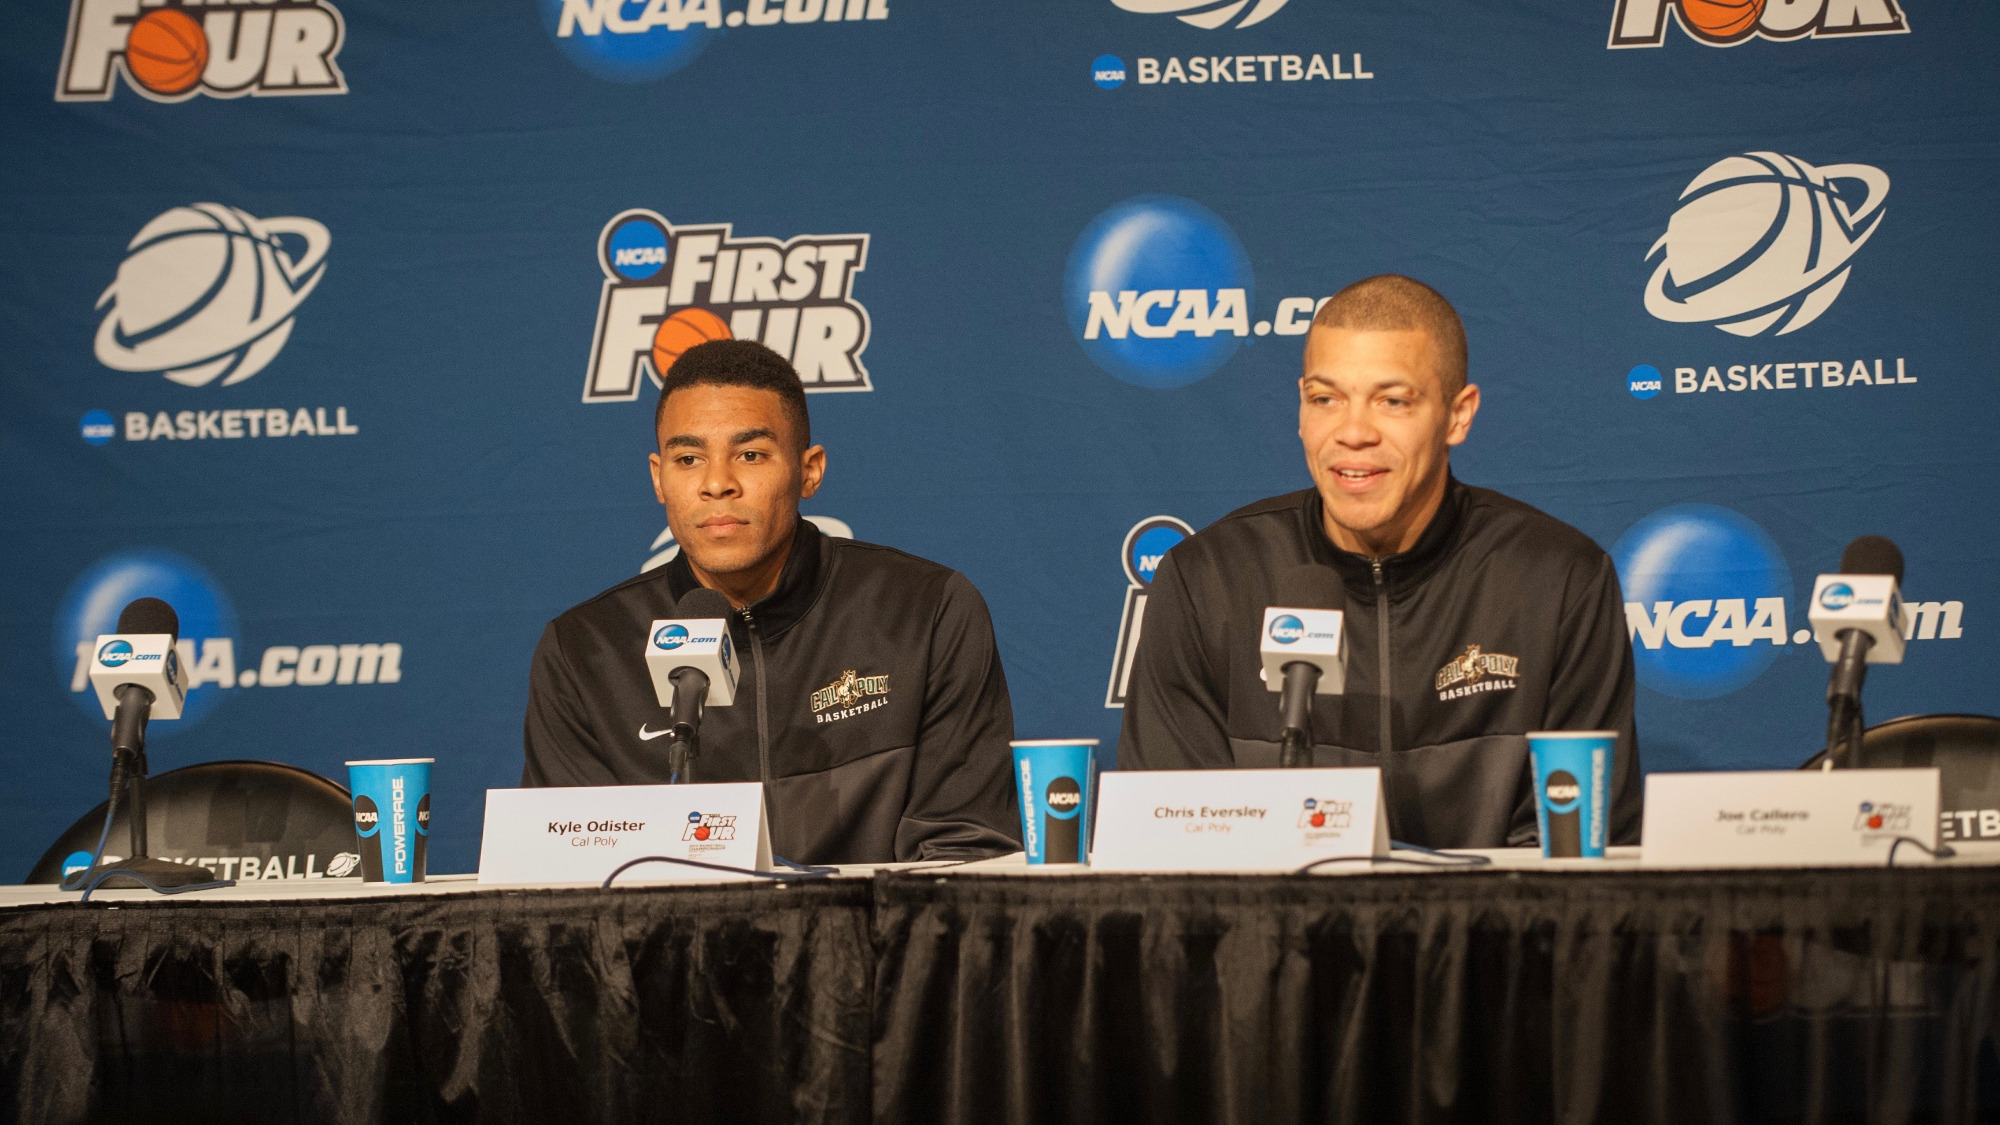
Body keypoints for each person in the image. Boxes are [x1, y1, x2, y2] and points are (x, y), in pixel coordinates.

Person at [1118, 275, 1640, 848]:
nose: (1353, 432)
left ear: (1458, 415)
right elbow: (1172, 843)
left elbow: (1573, 850)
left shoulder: (1559, 579)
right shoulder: (1207, 579)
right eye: (1325, 399)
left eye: (1393, 401)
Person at [522, 339, 1019, 864]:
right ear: (658, 478)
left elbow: (964, 855)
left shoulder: (925, 613)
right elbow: (567, 879)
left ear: (809, 471)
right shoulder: (584, 652)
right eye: (688, 459)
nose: (717, 483)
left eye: (751, 455)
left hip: (876, 945)